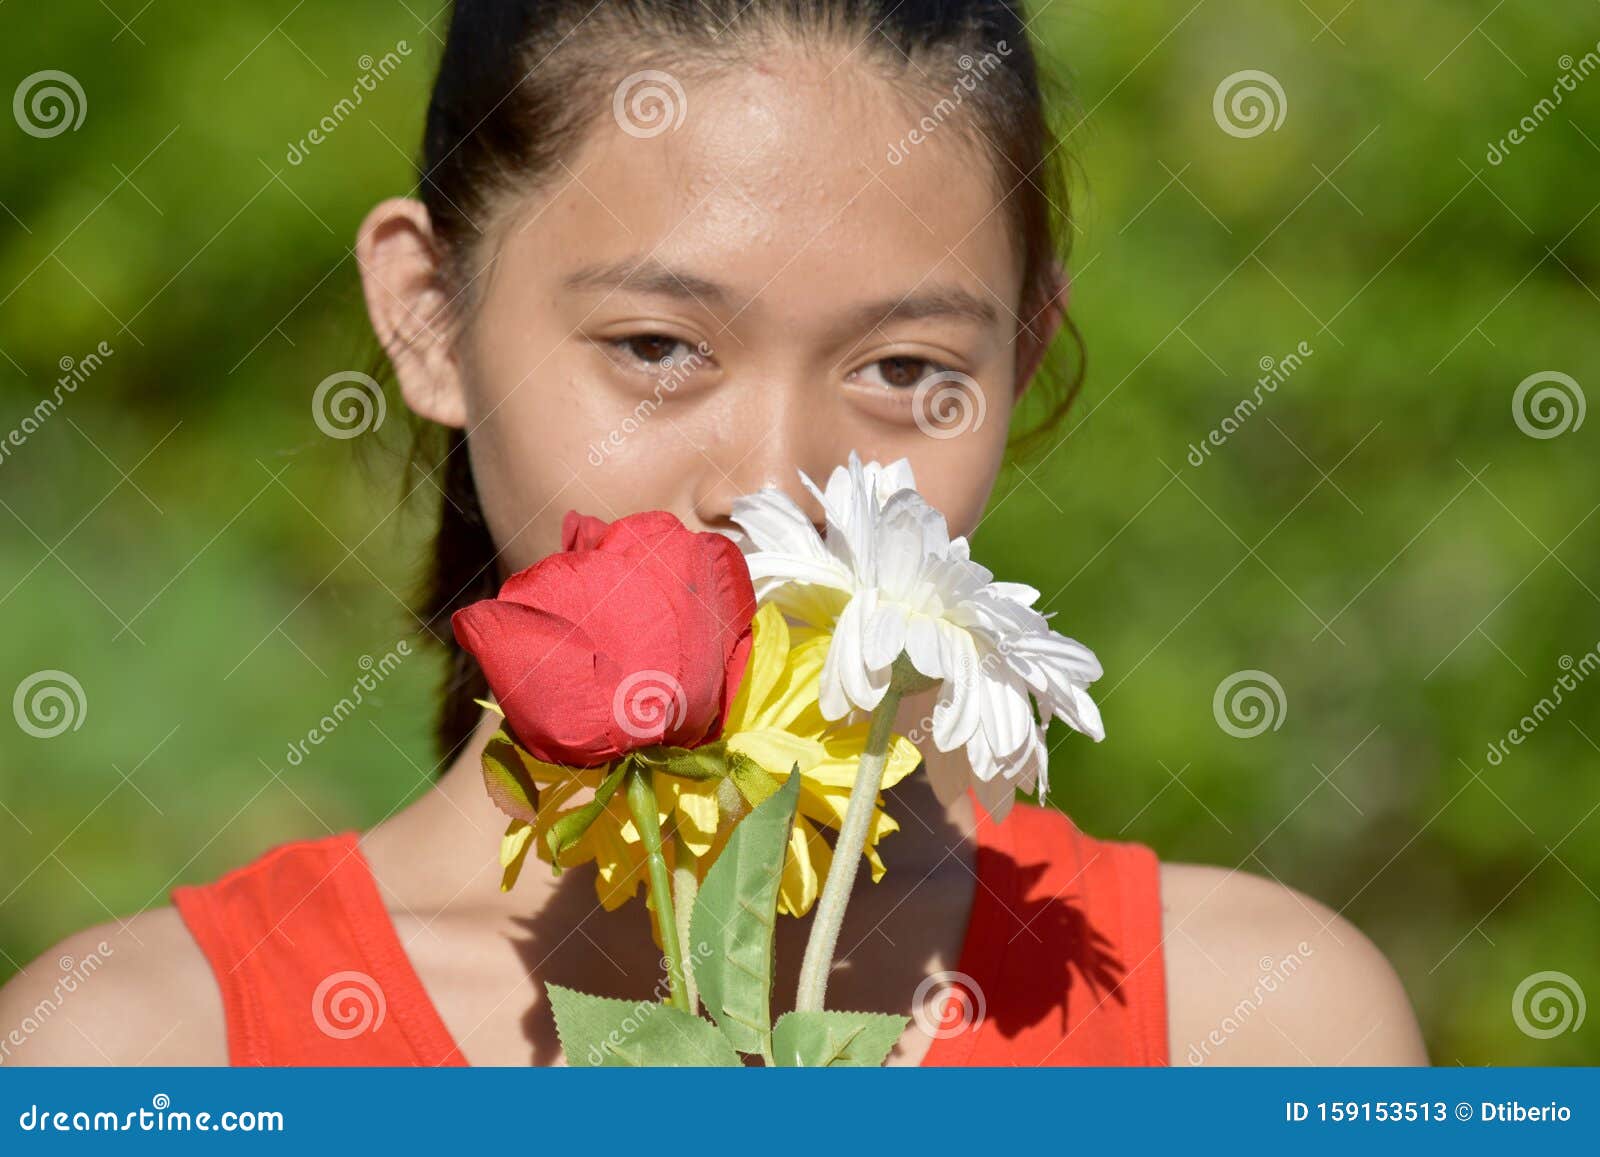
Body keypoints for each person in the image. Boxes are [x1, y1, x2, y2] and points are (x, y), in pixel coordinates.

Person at [0, 0, 1428, 1067]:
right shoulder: (146, 1049)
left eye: (899, 368)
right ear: (427, 316)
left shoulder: (1253, 1027)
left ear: (1025, 354)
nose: (775, 487)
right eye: (659, 345)